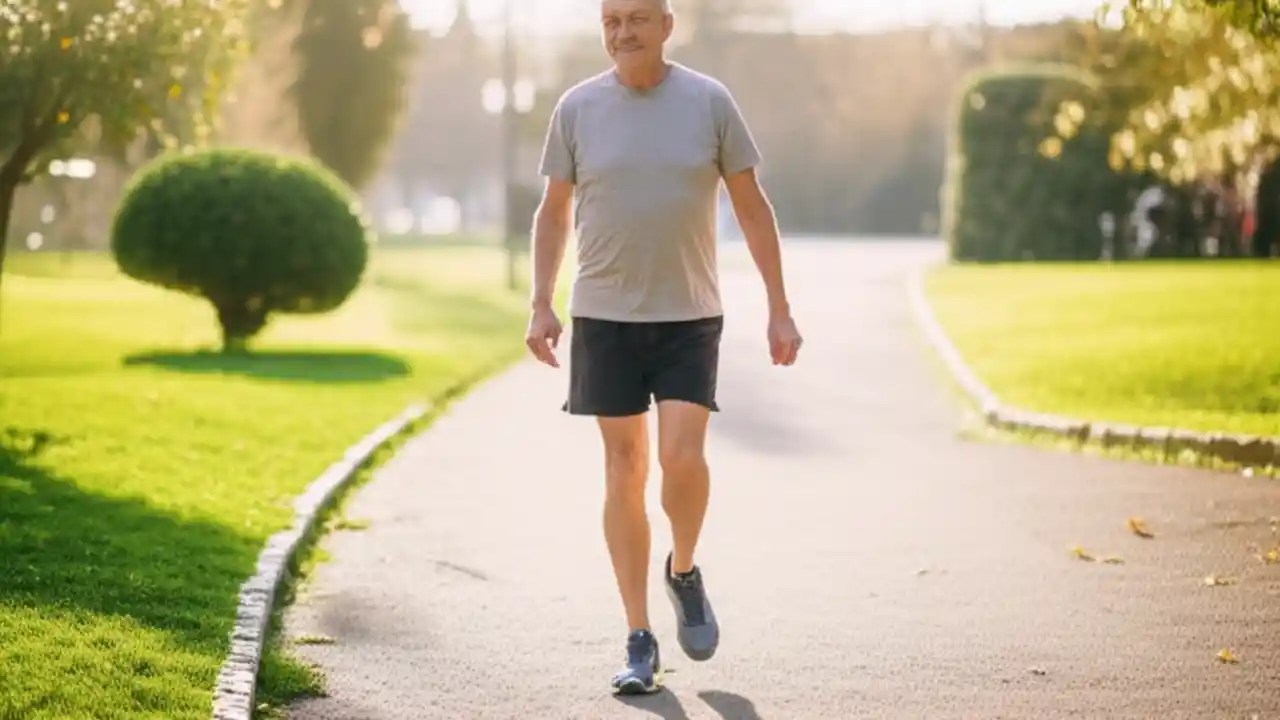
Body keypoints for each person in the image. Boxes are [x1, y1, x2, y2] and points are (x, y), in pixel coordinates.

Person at [523, 0, 802, 696]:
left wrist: (779, 308)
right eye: (611, 21)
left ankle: (683, 569)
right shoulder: (578, 108)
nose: (623, 32)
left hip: (688, 315)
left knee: (681, 460)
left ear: (667, 24)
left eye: (637, 18)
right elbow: (553, 212)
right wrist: (540, 302)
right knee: (624, 469)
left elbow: (751, 205)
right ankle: (640, 638)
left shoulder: (709, 102)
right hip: (604, 316)